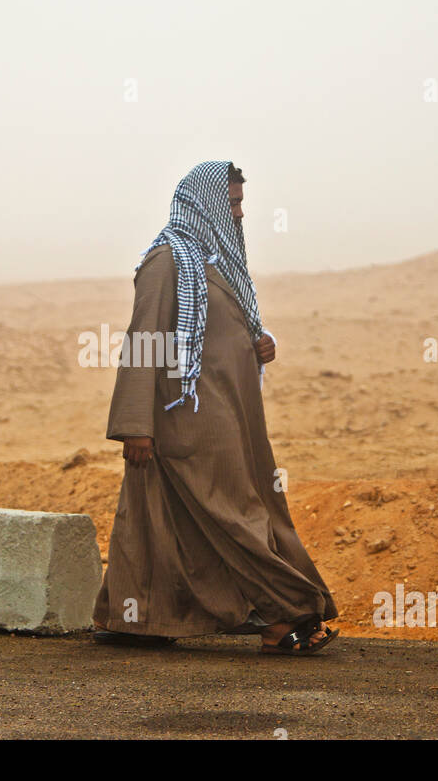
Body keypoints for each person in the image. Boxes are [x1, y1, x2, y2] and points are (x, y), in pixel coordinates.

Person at [92, 161, 338, 655]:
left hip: (231, 415)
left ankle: (140, 619)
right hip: (186, 419)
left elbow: (225, 330)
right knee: (231, 515)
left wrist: (260, 342)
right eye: (232, 203)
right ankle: (288, 611)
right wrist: (135, 426)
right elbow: (144, 343)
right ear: (205, 203)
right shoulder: (167, 261)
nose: (241, 214)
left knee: (161, 519)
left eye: (241, 203)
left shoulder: (218, 263)